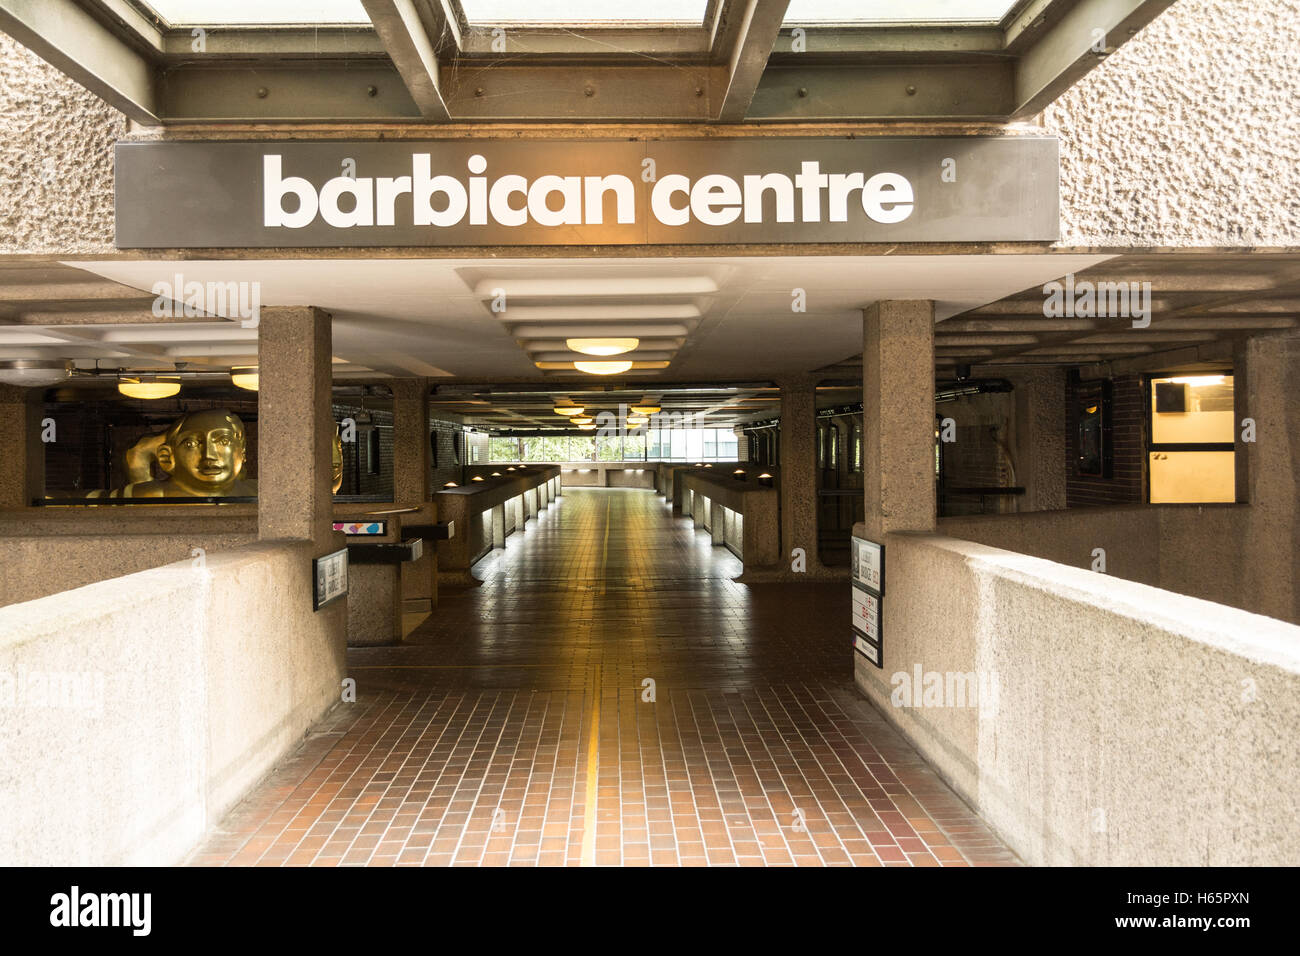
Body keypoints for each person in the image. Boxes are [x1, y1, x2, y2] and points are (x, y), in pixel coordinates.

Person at [88, 409, 257, 498]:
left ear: (241, 452)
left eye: (223, 441)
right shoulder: (152, 496)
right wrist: (139, 454)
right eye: (191, 444)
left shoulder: (256, 491)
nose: (209, 455)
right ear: (167, 457)